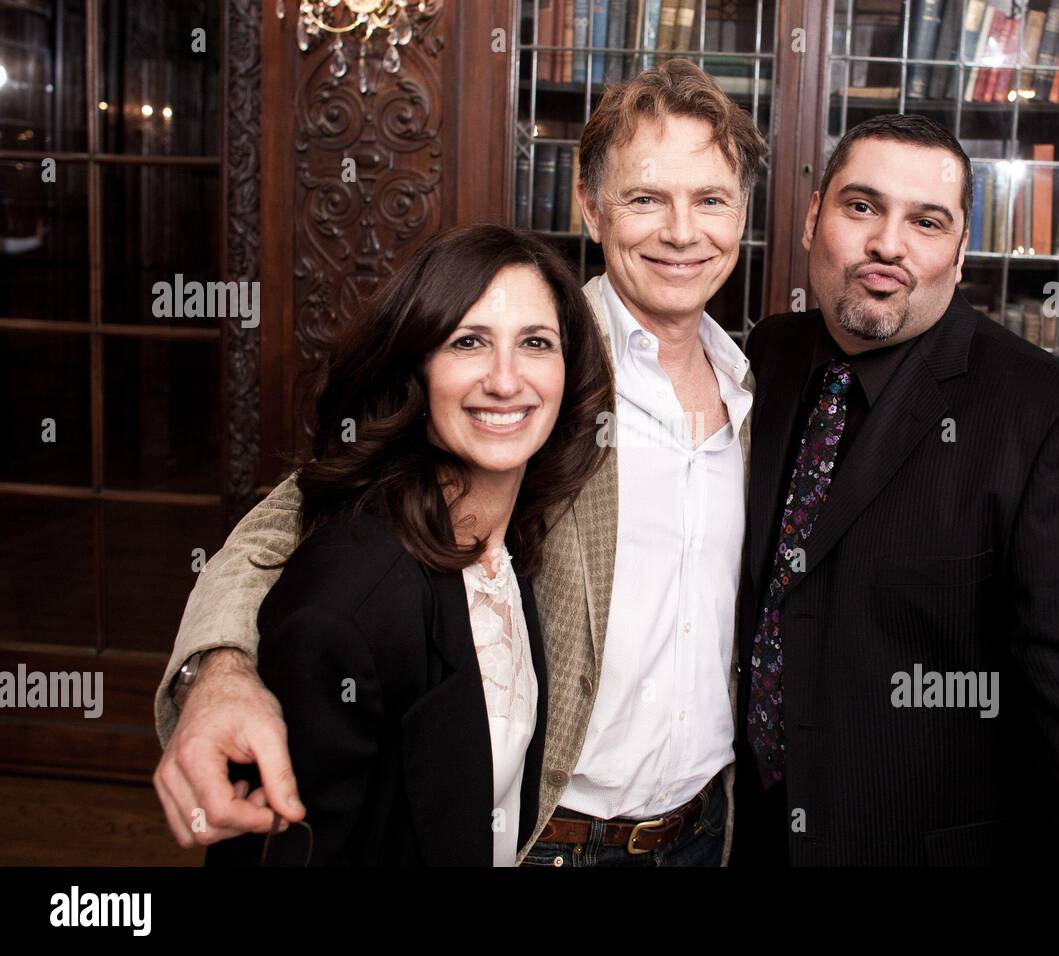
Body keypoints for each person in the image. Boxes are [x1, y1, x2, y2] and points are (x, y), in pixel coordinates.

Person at [153, 59, 767, 866]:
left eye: (712, 199)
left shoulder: (763, 388)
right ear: (590, 205)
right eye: (646, 198)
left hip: (706, 833)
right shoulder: (533, 368)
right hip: (548, 836)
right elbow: (288, 525)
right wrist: (218, 674)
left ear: (744, 211)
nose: (683, 232)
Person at [732, 114, 1059, 866]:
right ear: (814, 216)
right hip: (739, 837)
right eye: (862, 207)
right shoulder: (766, 358)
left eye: (926, 221)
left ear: (959, 252)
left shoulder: (1053, 422)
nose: (888, 243)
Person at [175, 223, 613, 865]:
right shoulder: (350, 597)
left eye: (536, 343)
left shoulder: (503, 542)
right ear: (415, 366)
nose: (505, 379)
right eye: (468, 342)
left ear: (569, 371)